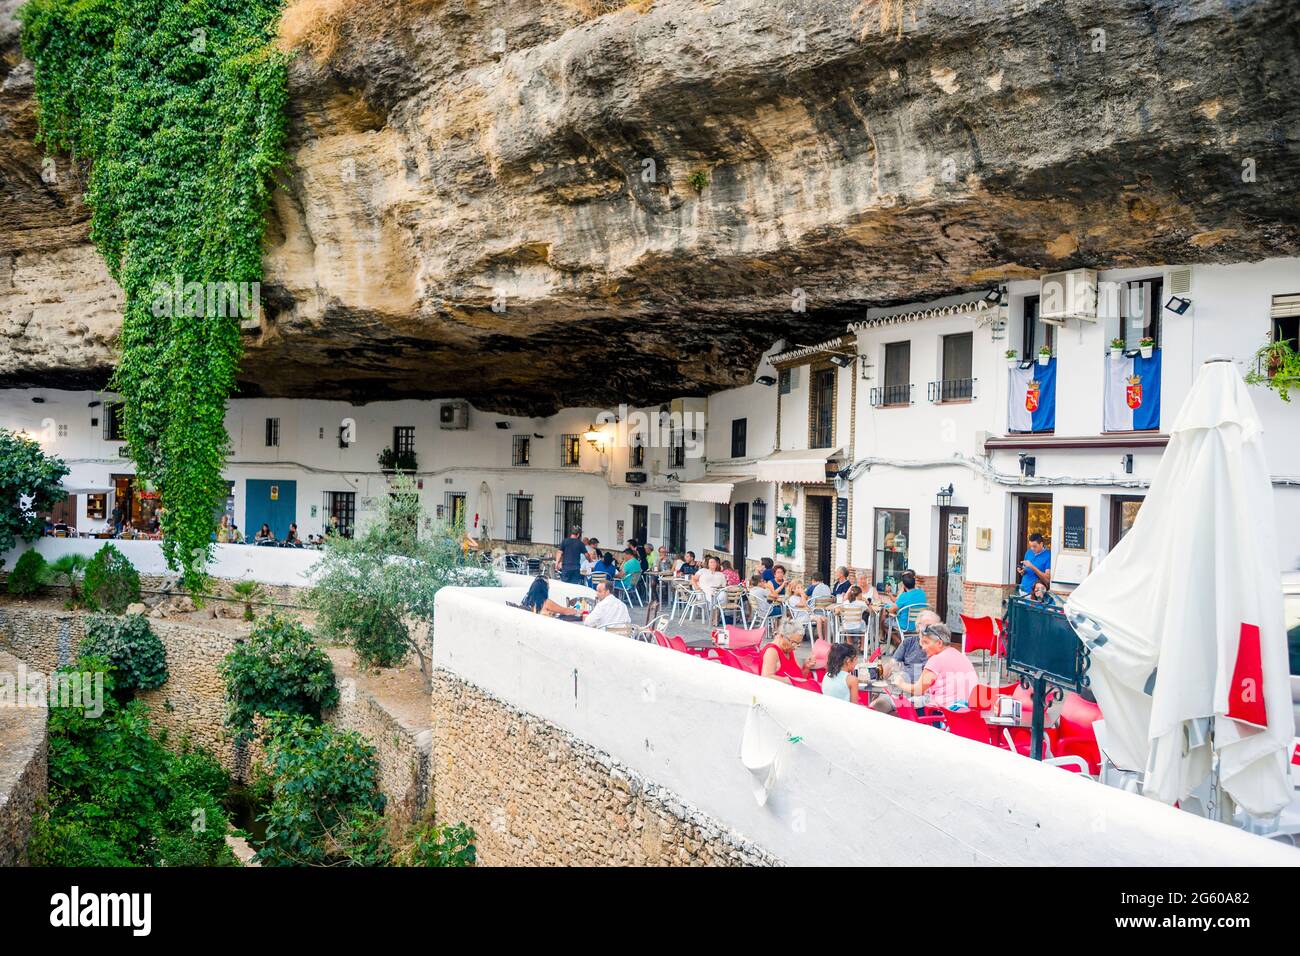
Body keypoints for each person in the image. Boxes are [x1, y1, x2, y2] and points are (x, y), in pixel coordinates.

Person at [890, 623, 978, 709]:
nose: (923, 647)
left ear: (939, 643)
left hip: (945, 715)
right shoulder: (962, 657)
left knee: (903, 708)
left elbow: (918, 690)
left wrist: (901, 683)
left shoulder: (936, 660)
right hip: (967, 712)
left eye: (926, 643)